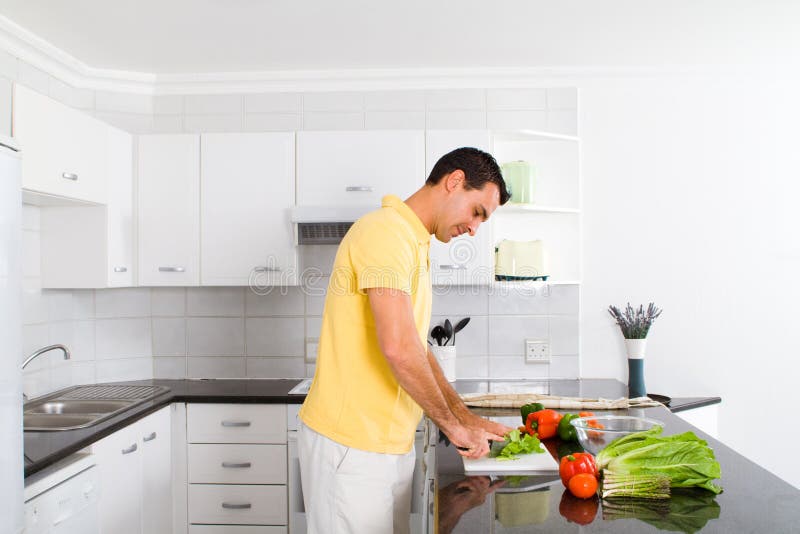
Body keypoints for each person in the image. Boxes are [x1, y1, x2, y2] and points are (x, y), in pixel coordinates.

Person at [298, 147, 513, 534]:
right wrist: (452, 427)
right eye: (477, 211)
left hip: (386, 446)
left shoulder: (413, 241)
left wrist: (465, 417)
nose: (475, 228)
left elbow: (415, 345)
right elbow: (398, 348)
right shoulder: (384, 233)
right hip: (352, 446)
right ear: (455, 182)